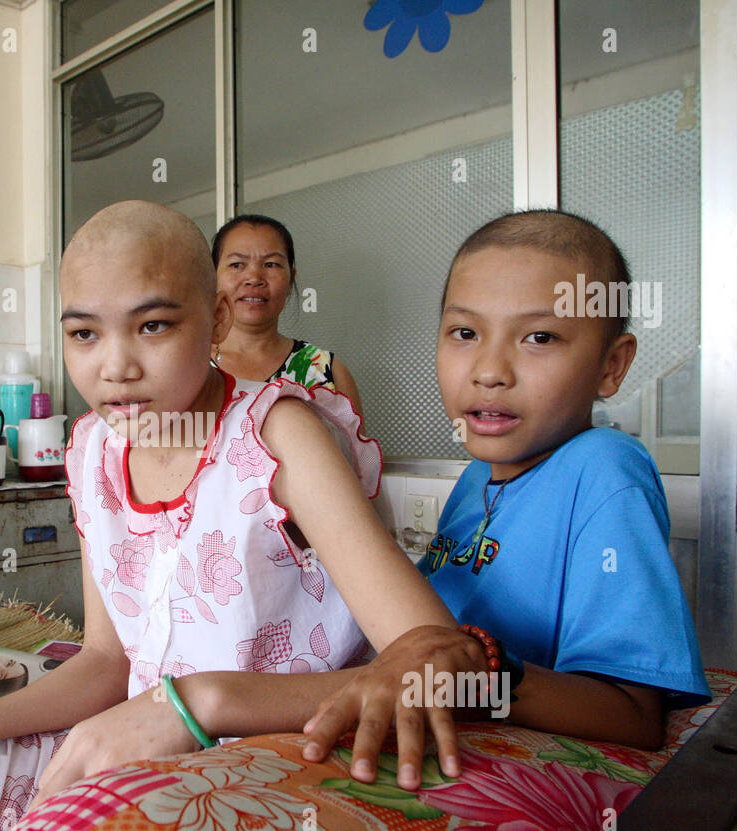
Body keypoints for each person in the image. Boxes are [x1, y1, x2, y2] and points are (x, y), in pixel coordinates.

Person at [0, 200, 462, 831]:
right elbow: (107, 662)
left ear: (216, 318)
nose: (115, 366)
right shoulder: (92, 452)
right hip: (133, 732)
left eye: (154, 327)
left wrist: (191, 706)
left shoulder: (281, 438)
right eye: (84, 334)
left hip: (273, 752)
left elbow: (429, 666)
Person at [302, 210, 710, 784]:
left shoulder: (605, 467)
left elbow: (632, 714)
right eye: (465, 333)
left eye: (539, 337)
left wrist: (482, 672)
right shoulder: (477, 477)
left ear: (611, 366)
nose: (490, 371)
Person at [210, 214, 365, 417]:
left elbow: (354, 449)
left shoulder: (325, 369)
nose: (254, 278)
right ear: (212, 277)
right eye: (237, 264)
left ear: (291, 278)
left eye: (271, 264)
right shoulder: (188, 364)